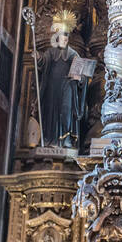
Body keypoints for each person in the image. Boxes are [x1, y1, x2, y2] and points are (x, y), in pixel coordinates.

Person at [37, 15, 88, 149]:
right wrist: (37, 57)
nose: (64, 42)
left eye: (66, 40)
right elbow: (43, 61)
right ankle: (50, 141)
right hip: (52, 87)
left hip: (68, 88)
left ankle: (66, 141)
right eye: (62, 39)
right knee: (50, 112)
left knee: (66, 112)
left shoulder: (73, 54)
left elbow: (82, 75)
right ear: (57, 39)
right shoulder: (50, 52)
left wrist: (80, 79)